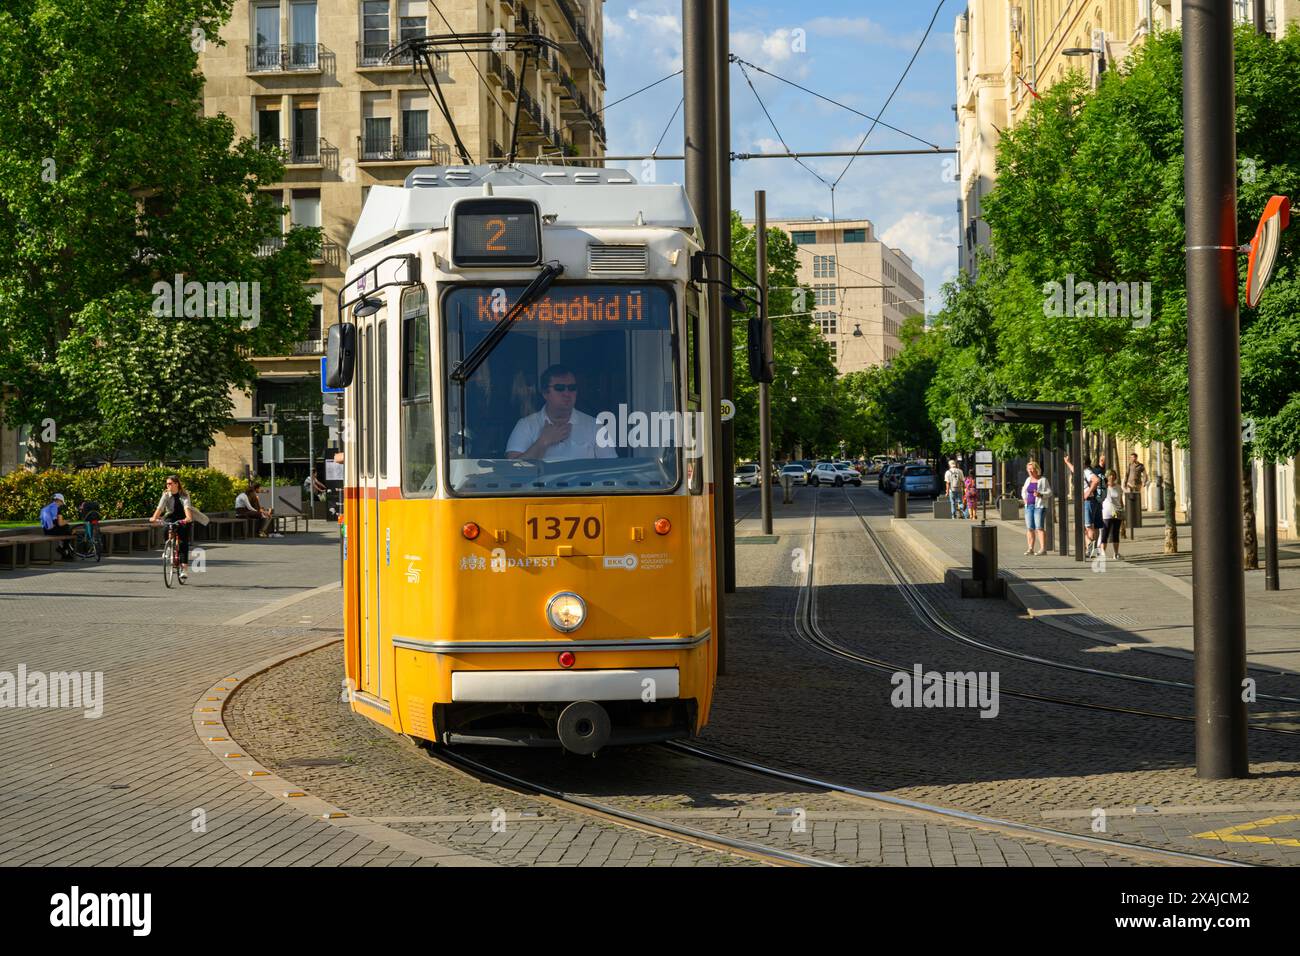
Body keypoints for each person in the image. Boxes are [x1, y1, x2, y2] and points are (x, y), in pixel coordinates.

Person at [507, 364, 619, 462]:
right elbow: (513, 471)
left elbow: (611, 470)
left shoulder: (595, 426)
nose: (567, 393)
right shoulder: (526, 425)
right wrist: (543, 442)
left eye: (572, 388)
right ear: (545, 393)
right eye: (559, 388)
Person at [150, 475, 195, 582]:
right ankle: (169, 545)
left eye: (170, 483)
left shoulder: (184, 495)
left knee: (183, 543)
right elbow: (159, 508)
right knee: (166, 527)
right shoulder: (166, 495)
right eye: (167, 483)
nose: (168, 485)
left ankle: (184, 570)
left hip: (183, 518)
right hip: (171, 516)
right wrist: (154, 518)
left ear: (176, 484)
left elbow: (187, 508)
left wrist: (187, 518)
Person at [1021, 461, 1052, 555]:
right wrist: (1024, 499)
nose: (1030, 471)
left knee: (1039, 527)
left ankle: (1043, 549)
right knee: (1030, 528)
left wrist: (1040, 495)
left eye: (1032, 469)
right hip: (1028, 506)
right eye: (1028, 469)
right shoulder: (1027, 480)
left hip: (1039, 506)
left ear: (1036, 469)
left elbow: (1049, 493)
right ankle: (1030, 548)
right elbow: (1023, 491)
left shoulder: (1043, 480)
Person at [39, 493, 75, 560]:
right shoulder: (57, 509)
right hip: (52, 531)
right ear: (58, 500)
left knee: (67, 530)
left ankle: (64, 552)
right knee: (70, 530)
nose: (61, 504)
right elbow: (60, 523)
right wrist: (69, 520)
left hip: (46, 531)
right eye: (62, 502)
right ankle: (63, 550)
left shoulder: (47, 508)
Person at [1081, 459, 1105, 559]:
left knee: (1087, 526)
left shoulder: (1087, 472)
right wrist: (1067, 462)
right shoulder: (1087, 471)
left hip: (1089, 501)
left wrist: (1087, 492)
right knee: (1096, 526)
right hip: (1096, 500)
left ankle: (1091, 550)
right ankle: (1094, 549)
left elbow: (1096, 480)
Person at [1101, 467, 1124, 560]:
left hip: (1117, 512)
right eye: (1110, 475)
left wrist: (1122, 510)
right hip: (1106, 512)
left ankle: (1116, 553)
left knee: (1115, 533)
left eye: (1113, 475)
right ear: (1107, 476)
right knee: (1105, 533)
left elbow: (1121, 500)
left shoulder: (1118, 487)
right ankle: (1103, 553)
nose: (1112, 477)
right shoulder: (1104, 487)